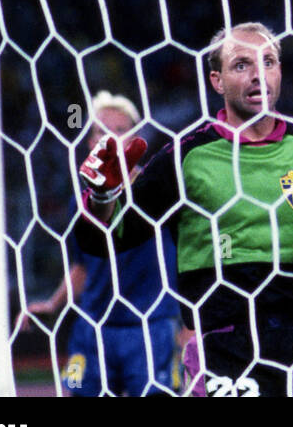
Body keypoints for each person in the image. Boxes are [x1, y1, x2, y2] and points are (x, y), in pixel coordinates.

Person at [76, 22, 293, 397]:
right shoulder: (187, 155)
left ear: (279, 72)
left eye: (268, 62)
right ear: (217, 81)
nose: (258, 75)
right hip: (225, 345)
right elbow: (107, 238)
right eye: (241, 65)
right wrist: (102, 196)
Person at [20, 91, 181, 396]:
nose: (111, 139)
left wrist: (189, 324)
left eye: (120, 131)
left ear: (136, 140)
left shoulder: (161, 190)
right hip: (93, 329)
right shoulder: (79, 203)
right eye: (102, 132)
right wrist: (53, 304)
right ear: (90, 143)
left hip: (151, 327)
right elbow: (82, 266)